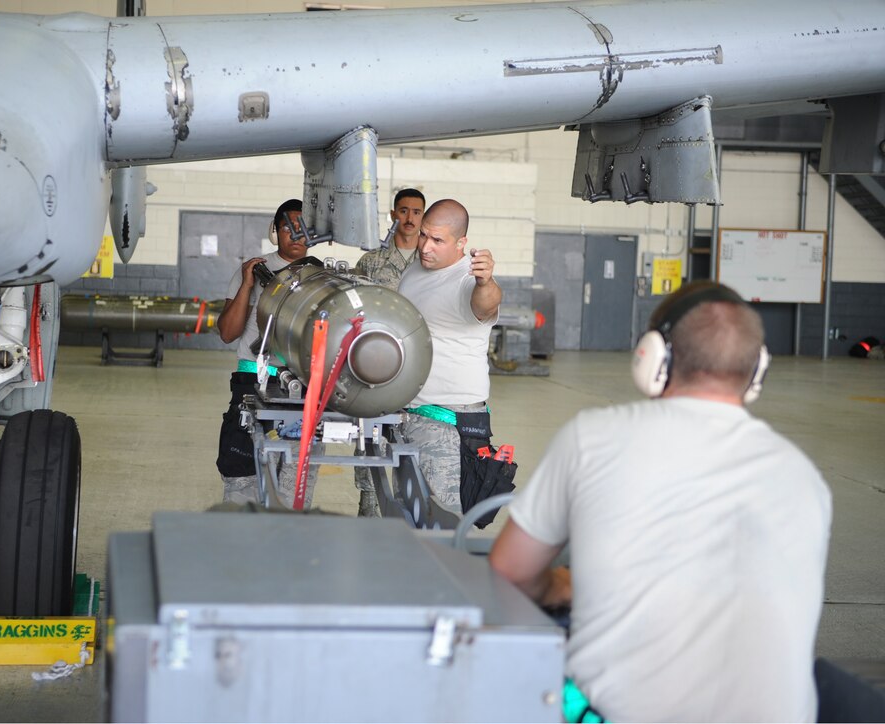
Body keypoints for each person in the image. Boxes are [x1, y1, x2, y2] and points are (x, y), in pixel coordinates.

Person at [488, 281, 832, 722]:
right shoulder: (804, 475)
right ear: (757, 370)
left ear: (652, 355)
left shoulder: (594, 438)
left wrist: (562, 584)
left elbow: (509, 573)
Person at [396, 198, 501, 514]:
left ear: (461, 243)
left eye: (438, 240)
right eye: (424, 236)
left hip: (448, 426)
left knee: (443, 520)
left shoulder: (467, 279)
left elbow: (487, 304)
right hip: (410, 416)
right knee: (409, 515)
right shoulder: (415, 269)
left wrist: (486, 281)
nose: (426, 246)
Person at [215, 198, 318, 508]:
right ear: (275, 231)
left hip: (303, 393)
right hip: (253, 388)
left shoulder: (322, 278)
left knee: (294, 489)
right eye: (288, 227)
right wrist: (247, 285)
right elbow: (227, 332)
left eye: (303, 229)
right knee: (243, 482)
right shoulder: (254, 271)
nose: (297, 235)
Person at [350, 188, 426, 517]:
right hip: (376, 371)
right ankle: (368, 521)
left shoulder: (430, 262)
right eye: (404, 211)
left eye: (417, 212)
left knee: (413, 456)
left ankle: (406, 530)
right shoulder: (372, 262)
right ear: (394, 214)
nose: (410, 218)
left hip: (420, 373)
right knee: (371, 456)